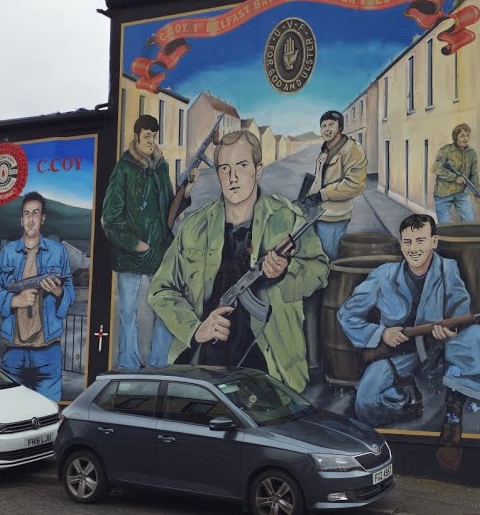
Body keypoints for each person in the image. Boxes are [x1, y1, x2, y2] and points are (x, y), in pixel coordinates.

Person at [149, 130, 329, 391]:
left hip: (271, 362)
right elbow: (160, 289)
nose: (233, 178)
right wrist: (195, 329)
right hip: (205, 364)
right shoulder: (195, 226)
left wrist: (287, 271)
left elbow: (319, 270)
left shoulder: (287, 218)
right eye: (224, 168)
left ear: (258, 170)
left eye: (242, 166)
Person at [337, 213, 480, 471]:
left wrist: (450, 329)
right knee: (365, 404)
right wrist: (381, 334)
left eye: (420, 240)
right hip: (400, 355)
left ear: (434, 241)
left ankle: (453, 416)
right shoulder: (384, 276)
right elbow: (347, 314)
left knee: (475, 336)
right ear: (401, 244)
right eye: (407, 242)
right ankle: (409, 402)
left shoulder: (447, 269)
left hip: (441, 351)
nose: (414, 248)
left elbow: (460, 308)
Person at [101, 114, 190, 369]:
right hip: (129, 256)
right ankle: (128, 364)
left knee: (164, 307)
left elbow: (170, 210)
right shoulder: (124, 168)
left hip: (159, 253)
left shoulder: (160, 167)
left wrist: (189, 189)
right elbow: (110, 218)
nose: (152, 141)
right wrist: (135, 243)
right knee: (128, 314)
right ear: (137, 137)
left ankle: (159, 362)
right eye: (147, 136)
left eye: (155, 136)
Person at [0, 192, 74, 402]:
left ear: (43, 218)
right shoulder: (7, 253)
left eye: (35, 213)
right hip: (14, 351)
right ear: (21, 220)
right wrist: (15, 301)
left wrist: (57, 291)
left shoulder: (58, 252)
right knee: (13, 412)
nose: (30, 219)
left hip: (48, 350)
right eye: (26, 214)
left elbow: (69, 295)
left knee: (49, 412)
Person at [305, 110, 368, 259]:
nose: (326, 129)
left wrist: (323, 194)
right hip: (317, 214)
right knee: (317, 258)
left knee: (328, 258)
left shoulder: (352, 149)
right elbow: (318, 180)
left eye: (331, 125)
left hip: (335, 216)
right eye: (323, 126)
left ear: (340, 127)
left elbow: (355, 183)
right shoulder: (324, 151)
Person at [432, 123, 480, 224]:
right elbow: (437, 168)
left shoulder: (472, 153)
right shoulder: (445, 150)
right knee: (444, 226)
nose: (466, 138)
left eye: (467, 135)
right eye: (462, 136)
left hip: (462, 193)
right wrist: (454, 178)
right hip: (443, 193)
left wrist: (477, 191)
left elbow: (474, 174)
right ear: (456, 137)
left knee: (470, 222)